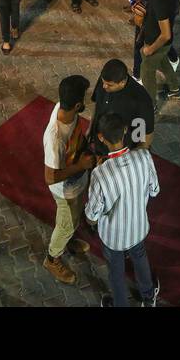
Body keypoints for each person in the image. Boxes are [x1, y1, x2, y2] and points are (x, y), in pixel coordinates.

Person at [85, 111, 160, 308]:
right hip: (138, 226)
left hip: (113, 237)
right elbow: (155, 190)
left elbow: (92, 215)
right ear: (126, 130)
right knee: (140, 256)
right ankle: (148, 296)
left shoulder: (100, 174)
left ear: (101, 137)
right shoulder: (144, 156)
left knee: (116, 272)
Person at [41, 74, 96, 285]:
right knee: (65, 225)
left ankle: (69, 239)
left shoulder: (65, 110)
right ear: (78, 104)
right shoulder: (54, 137)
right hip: (65, 191)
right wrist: (80, 166)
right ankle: (52, 259)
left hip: (76, 182)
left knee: (73, 220)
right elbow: (49, 177)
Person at [136, 0, 180, 101]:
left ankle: (151, 105)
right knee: (164, 64)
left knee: (147, 74)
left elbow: (165, 34)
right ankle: (175, 90)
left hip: (156, 43)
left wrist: (150, 49)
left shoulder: (159, 0)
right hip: (160, 44)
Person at [92, 58, 155, 150]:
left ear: (122, 82)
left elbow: (146, 136)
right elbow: (97, 106)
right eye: (103, 82)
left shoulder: (140, 100)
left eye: (109, 85)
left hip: (123, 151)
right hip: (101, 143)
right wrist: (90, 129)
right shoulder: (106, 80)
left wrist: (135, 157)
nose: (104, 86)